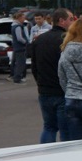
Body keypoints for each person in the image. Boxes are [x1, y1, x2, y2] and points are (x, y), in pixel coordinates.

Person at [29, 8, 74, 143]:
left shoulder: (39, 40)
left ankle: (45, 156)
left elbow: (34, 66)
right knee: (65, 130)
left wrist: (40, 83)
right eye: (70, 19)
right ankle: (65, 159)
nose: (73, 22)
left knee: (49, 127)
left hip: (44, 90)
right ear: (61, 20)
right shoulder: (66, 40)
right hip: (62, 91)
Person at [8, 9, 29, 83]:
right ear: (19, 18)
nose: (24, 19)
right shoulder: (18, 27)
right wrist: (26, 42)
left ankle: (15, 77)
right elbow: (19, 38)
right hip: (20, 47)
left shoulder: (14, 26)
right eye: (23, 18)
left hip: (16, 47)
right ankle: (17, 78)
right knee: (20, 64)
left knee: (17, 63)